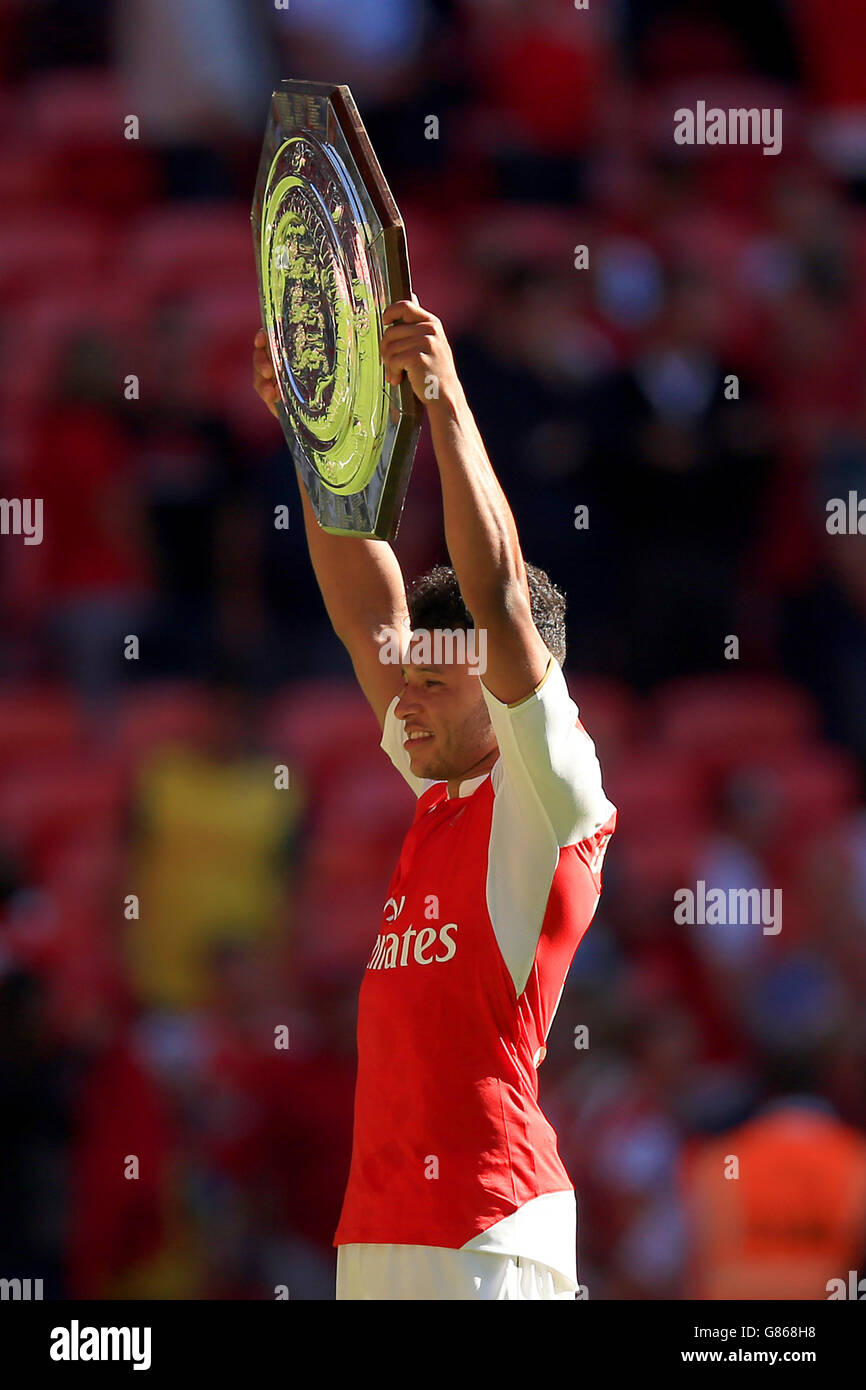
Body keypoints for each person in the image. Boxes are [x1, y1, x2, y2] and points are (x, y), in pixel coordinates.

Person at [252, 298, 616, 1300]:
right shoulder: (446, 781)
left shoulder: (551, 791)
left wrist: (445, 402)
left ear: (502, 693)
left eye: (432, 680)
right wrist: (312, 431)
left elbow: (497, 598)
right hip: (378, 1229)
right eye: (407, 677)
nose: (401, 698)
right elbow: (363, 608)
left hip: (489, 1230)